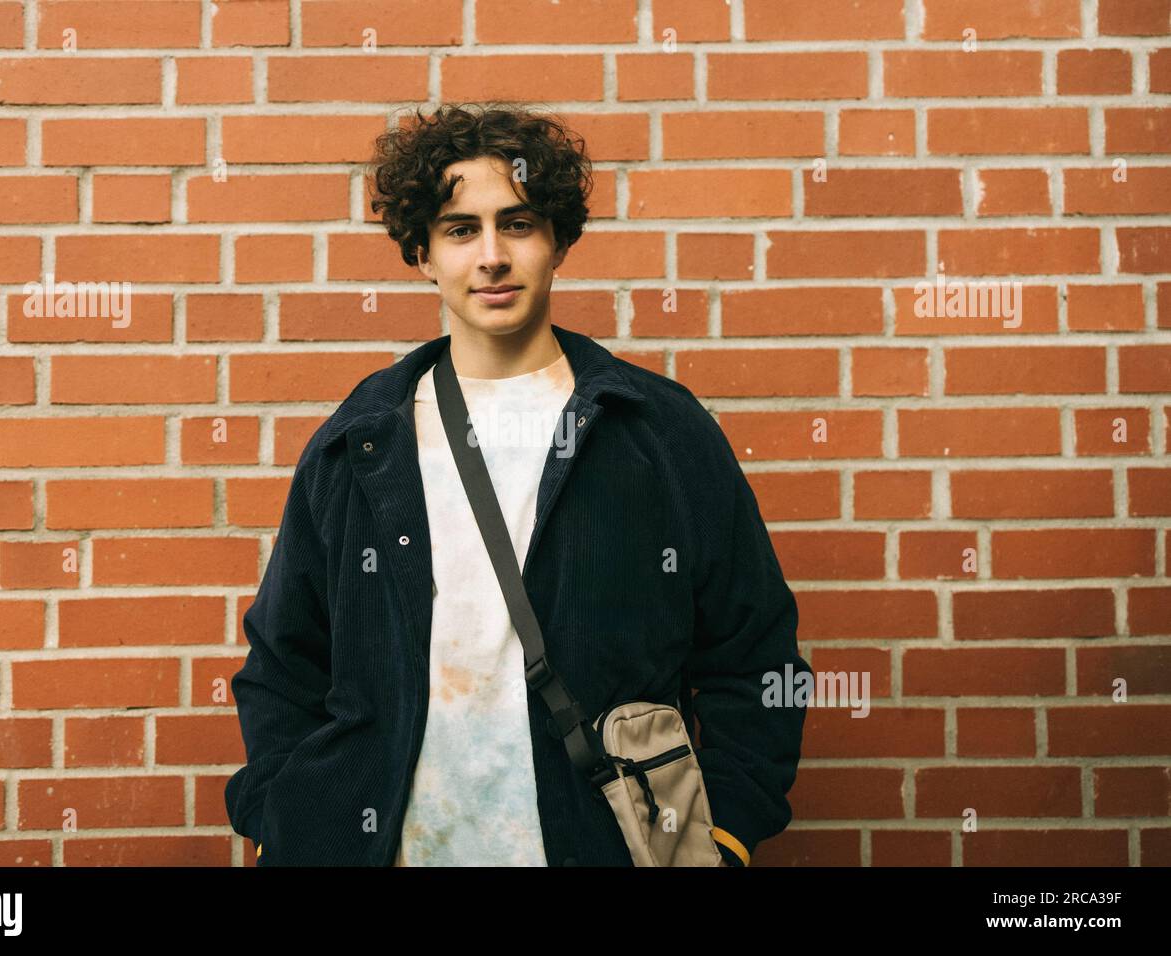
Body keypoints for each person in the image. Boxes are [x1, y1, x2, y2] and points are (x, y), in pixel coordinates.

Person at [225, 103, 810, 867]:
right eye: (461, 229)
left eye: (519, 223)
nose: (492, 255)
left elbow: (755, 654)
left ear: (558, 240)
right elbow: (281, 664)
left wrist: (723, 832)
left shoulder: (655, 432)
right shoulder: (360, 443)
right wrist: (288, 820)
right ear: (424, 253)